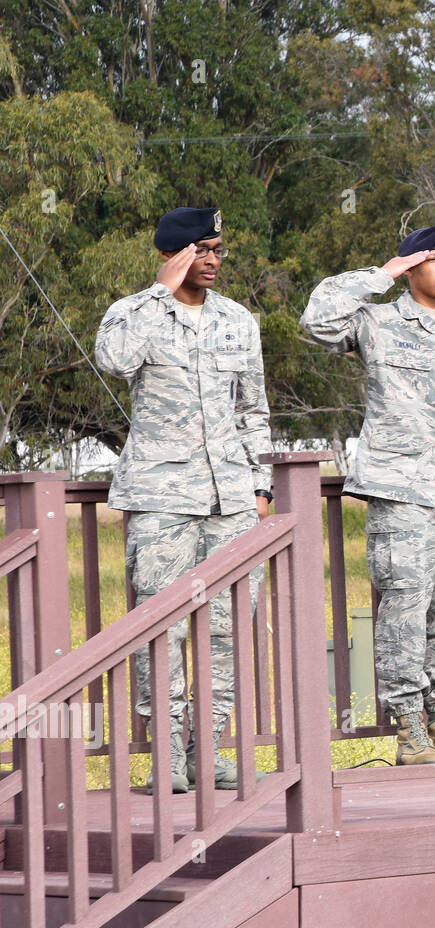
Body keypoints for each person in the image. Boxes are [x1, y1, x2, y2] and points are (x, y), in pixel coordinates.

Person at [299, 223, 435, 765]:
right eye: (434, 258)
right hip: (402, 493)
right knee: (404, 611)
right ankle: (409, 730)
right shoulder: (378, 322)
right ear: (411, 265)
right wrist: (380, 275)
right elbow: (317, 320)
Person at [96, 207, 271, 793]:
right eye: (201, 249)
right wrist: (157, 293)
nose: (214, 260)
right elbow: (114, 360)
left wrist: (260, 484)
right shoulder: (133, 313)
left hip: (231, 500)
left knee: (225, 628)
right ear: (174, 254)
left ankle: (207, 750)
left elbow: (254, 409)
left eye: (219, 249)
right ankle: (167, 757)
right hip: (162, 498)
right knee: (162, 628)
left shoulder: (239, 321)